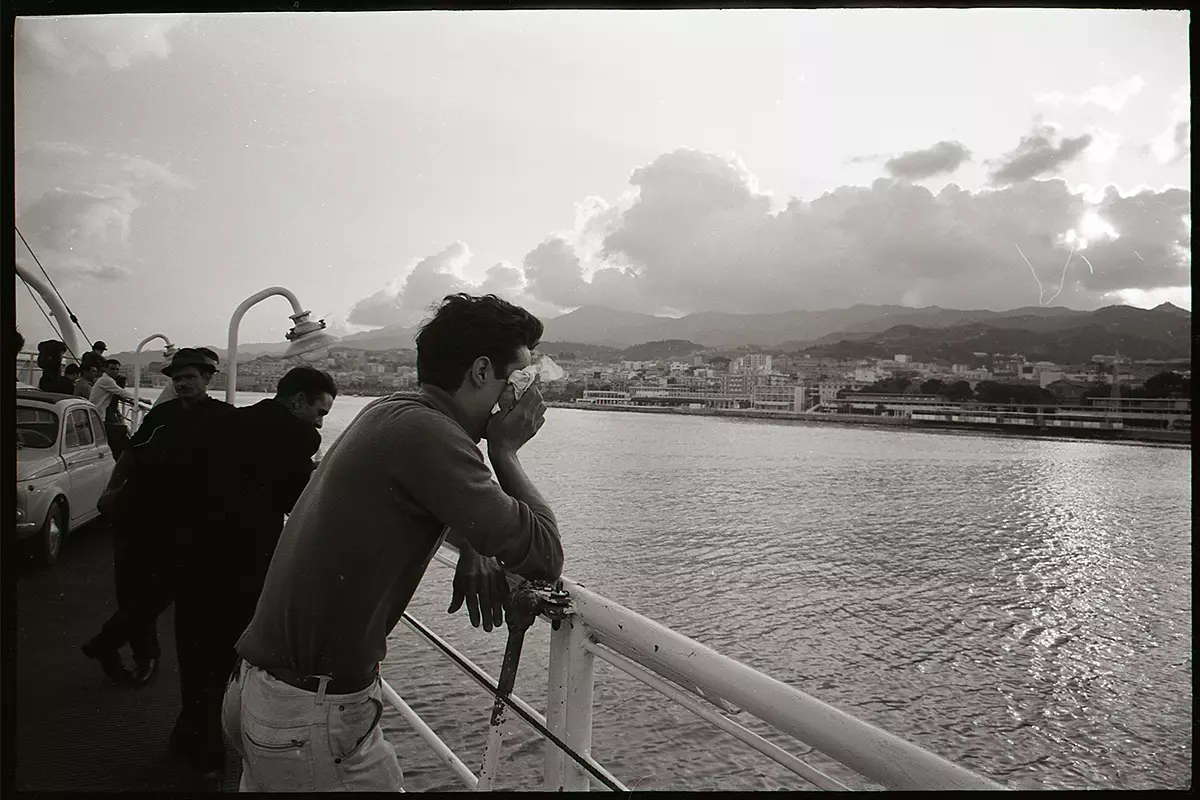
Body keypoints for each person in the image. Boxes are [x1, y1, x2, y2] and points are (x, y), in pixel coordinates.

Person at [223, 293, 564, 792]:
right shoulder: (429, 433)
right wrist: (506, 450)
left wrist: (474, 543)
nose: (524, 395)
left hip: (266, 691)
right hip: (309, 714)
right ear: (482, 371)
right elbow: (544, 556)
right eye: (521, 379)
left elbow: (433, 496)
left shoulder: (396, 413)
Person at [170, 366, 336, 776]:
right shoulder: (300, 437)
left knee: (194, 648)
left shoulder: (229, 420)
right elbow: (295, 504)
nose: (319, 422)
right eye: (319, 411)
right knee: (230, 656)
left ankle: (187, 733)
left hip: (194, 553)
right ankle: (209, 753)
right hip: (245, 562)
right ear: (298, 400)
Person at [85, 349, 237, 688]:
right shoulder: (162, 414)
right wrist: (111, 490)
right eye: (177, 378)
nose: (182, 383)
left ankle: (108, 646)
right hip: (135, 514)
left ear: (208, 378)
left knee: (160, 592)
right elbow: (131, 455)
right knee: (131, 591)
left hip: (183, 523)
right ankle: (141, 654)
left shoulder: (225, 418)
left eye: (190, 377)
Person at [90, 359, 136, 460]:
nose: (115, 371)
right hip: (97, 415)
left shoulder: (105, 380)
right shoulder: (106, 380)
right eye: (112, 369)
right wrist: (141, 400)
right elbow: (121, 392)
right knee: (121, 433)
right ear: (105, 369)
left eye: (117, 369)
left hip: (97, 414)